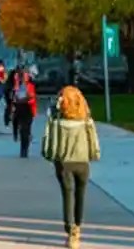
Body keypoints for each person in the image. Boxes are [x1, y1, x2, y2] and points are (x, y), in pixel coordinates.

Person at [41, 86, 101, 249]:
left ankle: (70, 230)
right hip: (82, 163)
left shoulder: (57, 121)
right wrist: (94, 154)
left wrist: (49, 155)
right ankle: (78, 229)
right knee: (80, 195)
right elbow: (93, 140)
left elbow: (50, 142)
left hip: (63, 163)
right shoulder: (86, 120)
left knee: (67, 195)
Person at [10, 67, 38, 158]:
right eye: (23, 76)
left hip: (28, 109)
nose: (24, 78)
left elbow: (32, 98)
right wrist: (14, 102)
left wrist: (27, 100)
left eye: (26, 76)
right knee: (21, 128)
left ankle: (25, 149)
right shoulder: (17, 85)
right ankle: (21, 143)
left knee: (26, 129)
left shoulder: (31, 86)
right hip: (19, 109)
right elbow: (13, 97)